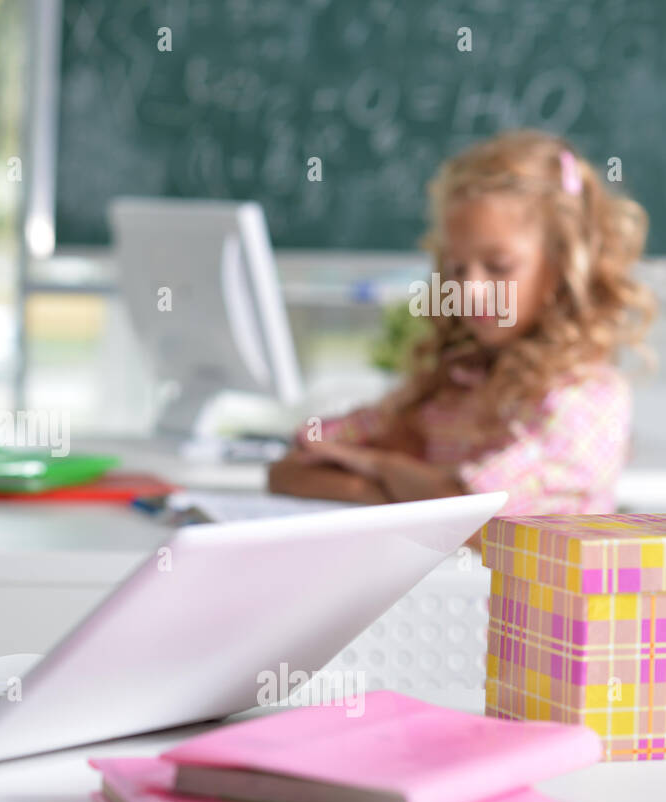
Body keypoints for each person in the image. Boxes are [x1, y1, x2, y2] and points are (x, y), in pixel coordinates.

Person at [269, 129, 655, 541]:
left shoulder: (588, 398)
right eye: (456, 269)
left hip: (540, 606)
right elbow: (291, 469)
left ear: (563, 267)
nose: (469, 290)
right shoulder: (450, 385)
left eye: (499, 266)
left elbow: (472, 518)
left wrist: (383, 467)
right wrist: (416, 493)